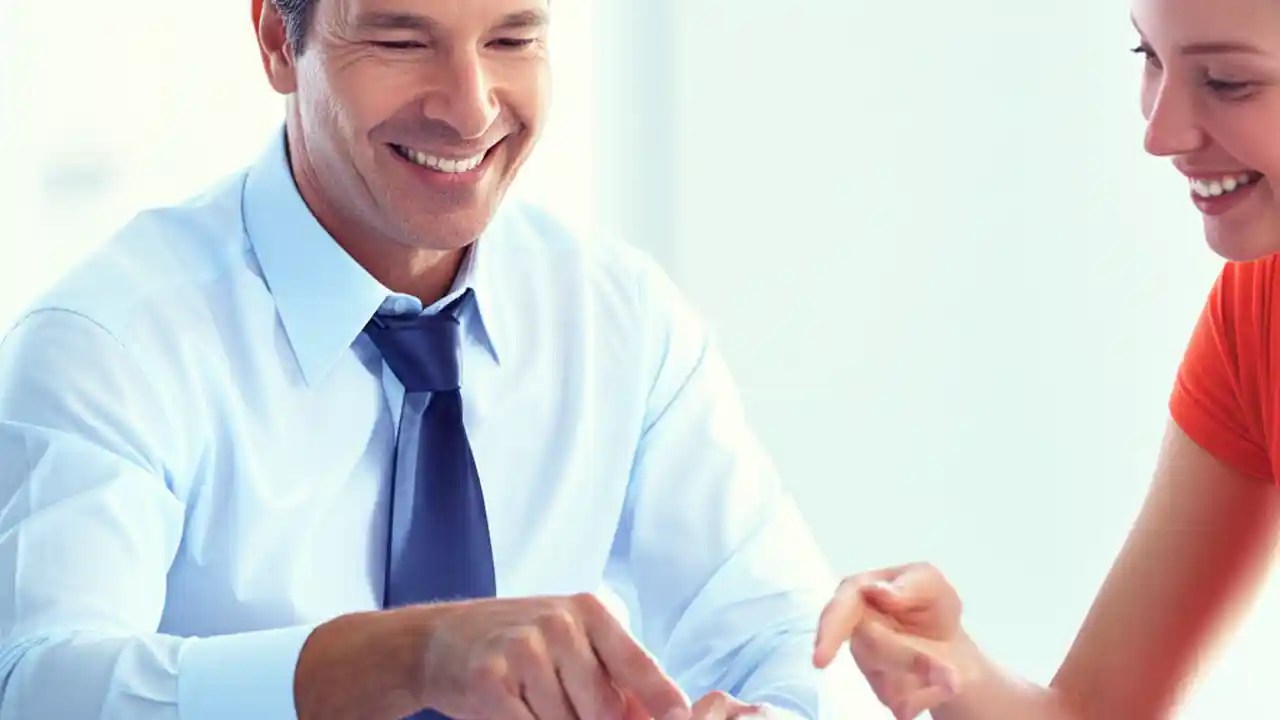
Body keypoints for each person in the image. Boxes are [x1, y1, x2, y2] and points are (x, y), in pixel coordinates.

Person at [0, 1, 860, 718]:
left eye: (511, 39)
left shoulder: (619, 320)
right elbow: (37, 684)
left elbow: (787, 641)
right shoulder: (110, 341)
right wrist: (404, 658)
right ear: (276, 41)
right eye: (401, 42)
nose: (470, 108)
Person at [811, 0, 1280, 717]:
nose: (1160, 135)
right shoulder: (1256, 315)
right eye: (1149, 58)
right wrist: (957, 670)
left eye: (1227, 82)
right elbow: (1098, 711)